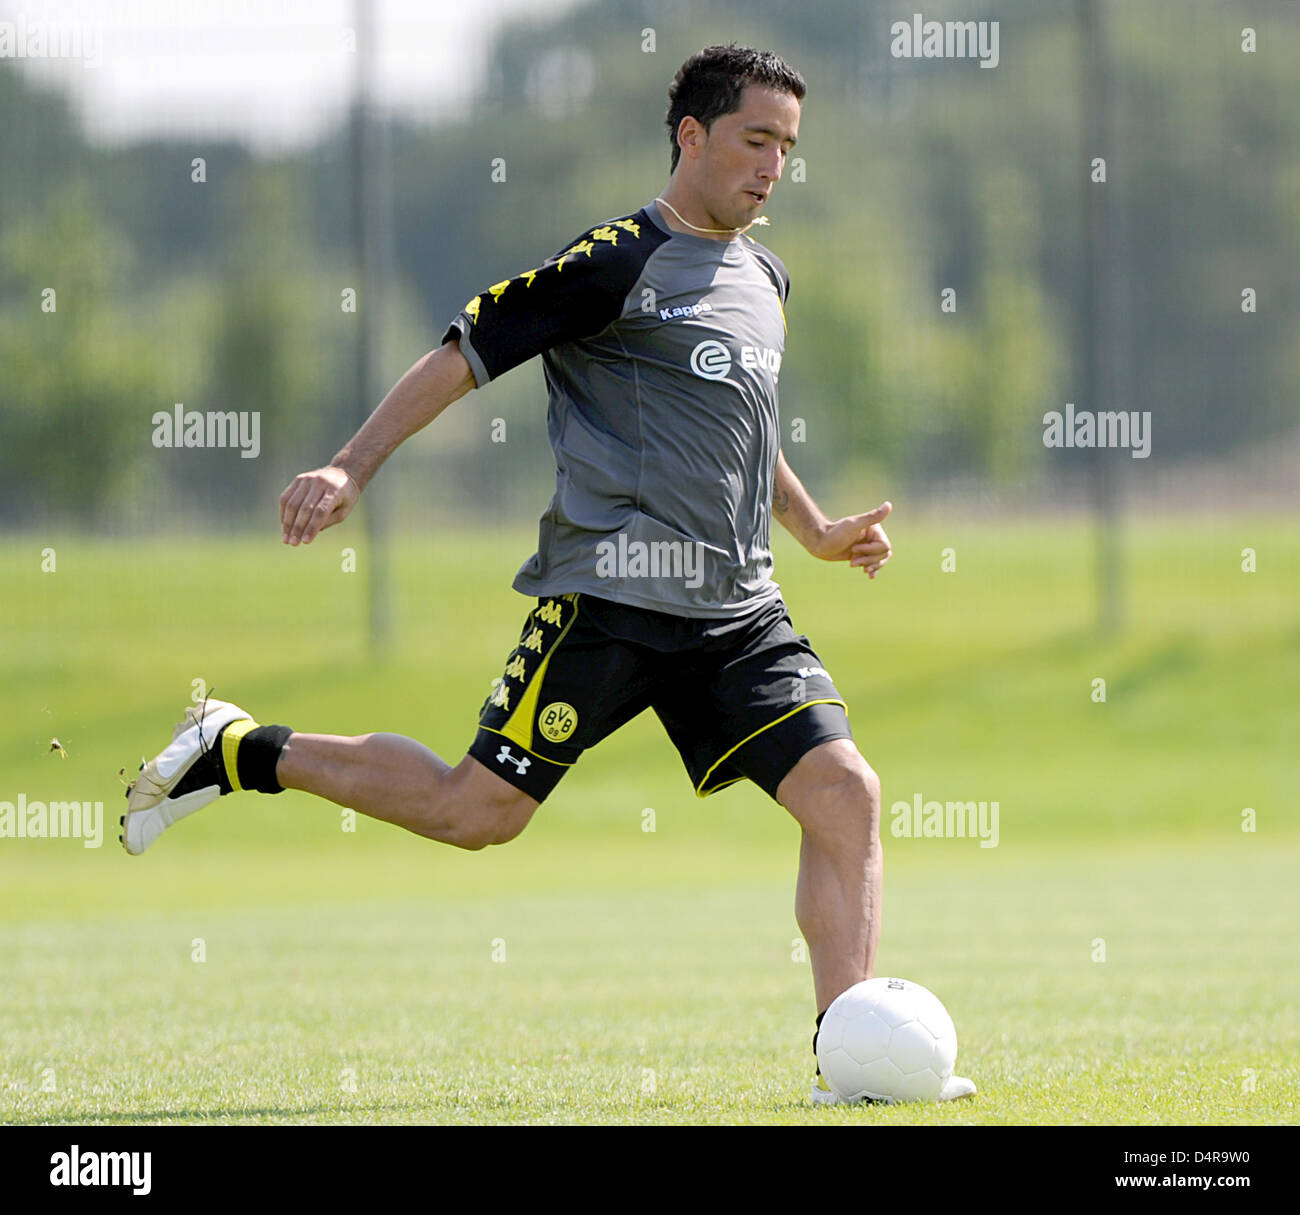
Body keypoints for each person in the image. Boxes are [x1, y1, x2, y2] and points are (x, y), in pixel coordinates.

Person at [122, 43, 974, 1106]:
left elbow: (741, 429)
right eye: (756, 141)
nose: (772, 168)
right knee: (472, 812)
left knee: (845, 796)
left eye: (788, 149)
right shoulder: (614, 262)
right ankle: (236, 749)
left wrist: (811, 530)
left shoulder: (766, 275)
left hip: (736, 615)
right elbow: (461, 350)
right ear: (692, 135)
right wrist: (349, 466)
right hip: (610, 604)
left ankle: (849, 1063)